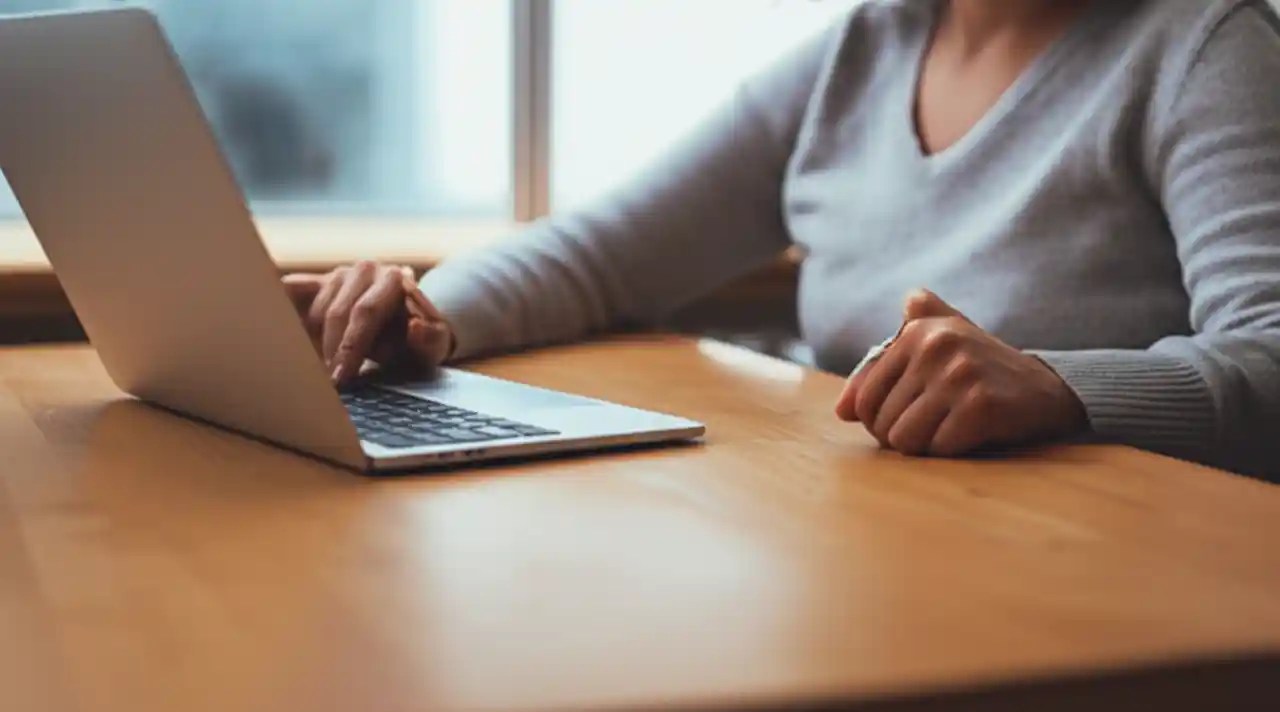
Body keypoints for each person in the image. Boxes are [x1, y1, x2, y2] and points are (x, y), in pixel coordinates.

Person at [283, 0, 1280, 479]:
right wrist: (422, 314)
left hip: (1105, 588)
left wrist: (1059, 387)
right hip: (885, 549)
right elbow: (597, 253)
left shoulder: (1203, 48)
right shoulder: (869, 45)